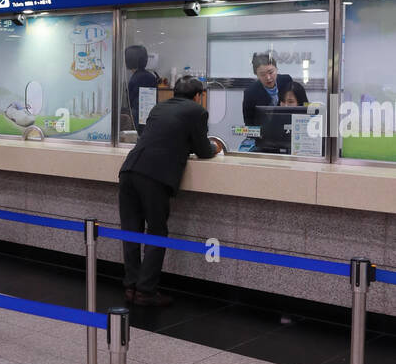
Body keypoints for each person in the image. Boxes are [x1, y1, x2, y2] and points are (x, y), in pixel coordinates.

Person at [118, 75, 219, 307]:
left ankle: (131, 287)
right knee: (156, 231)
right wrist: (215, 147)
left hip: (129, 170)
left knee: (130, 231)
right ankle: (146, 291)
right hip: (154, 176)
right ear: (198, 96)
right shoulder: (197, 111)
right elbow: (203, 150)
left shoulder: (158, 107)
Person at [242, 52, 293, 128]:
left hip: (287, 128)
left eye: (271, 72)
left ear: (277, 69)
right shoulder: (250, 93)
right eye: (262, 74)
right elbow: (249, 123)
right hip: (264, 133)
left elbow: (297, 107)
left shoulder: (286, 80)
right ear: (257, 75)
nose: (268, 77)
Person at [125, 43, 160, 134]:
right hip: (144, 115)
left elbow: (132, 100)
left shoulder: (139, 77)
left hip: (140, 117)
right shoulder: (147, 76)